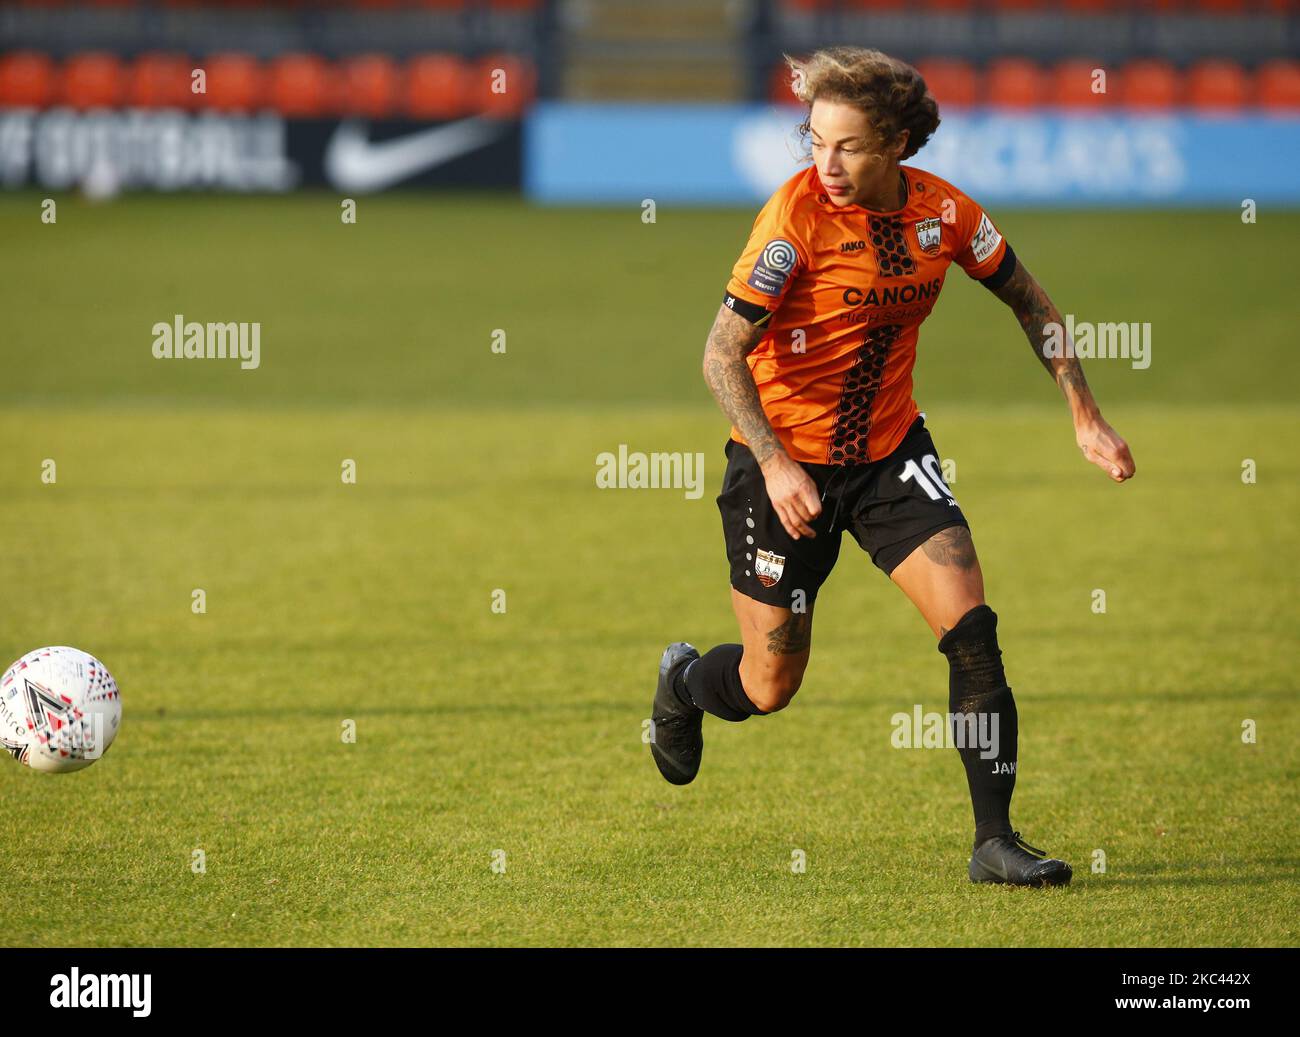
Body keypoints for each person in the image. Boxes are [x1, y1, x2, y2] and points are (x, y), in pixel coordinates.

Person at [648, 47, 1135, 887]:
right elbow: (722, 353)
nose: (825, 164)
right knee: (771, 683)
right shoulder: (792, 221)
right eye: (815, 140)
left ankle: (994, 841)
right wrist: (771, 462)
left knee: (972, 630)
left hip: (890, 455)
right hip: (786, 464)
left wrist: (1084, 415)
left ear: (899, 143)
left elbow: (1032, 301)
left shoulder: (946, 215)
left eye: (848, 146)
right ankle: (686, 681)